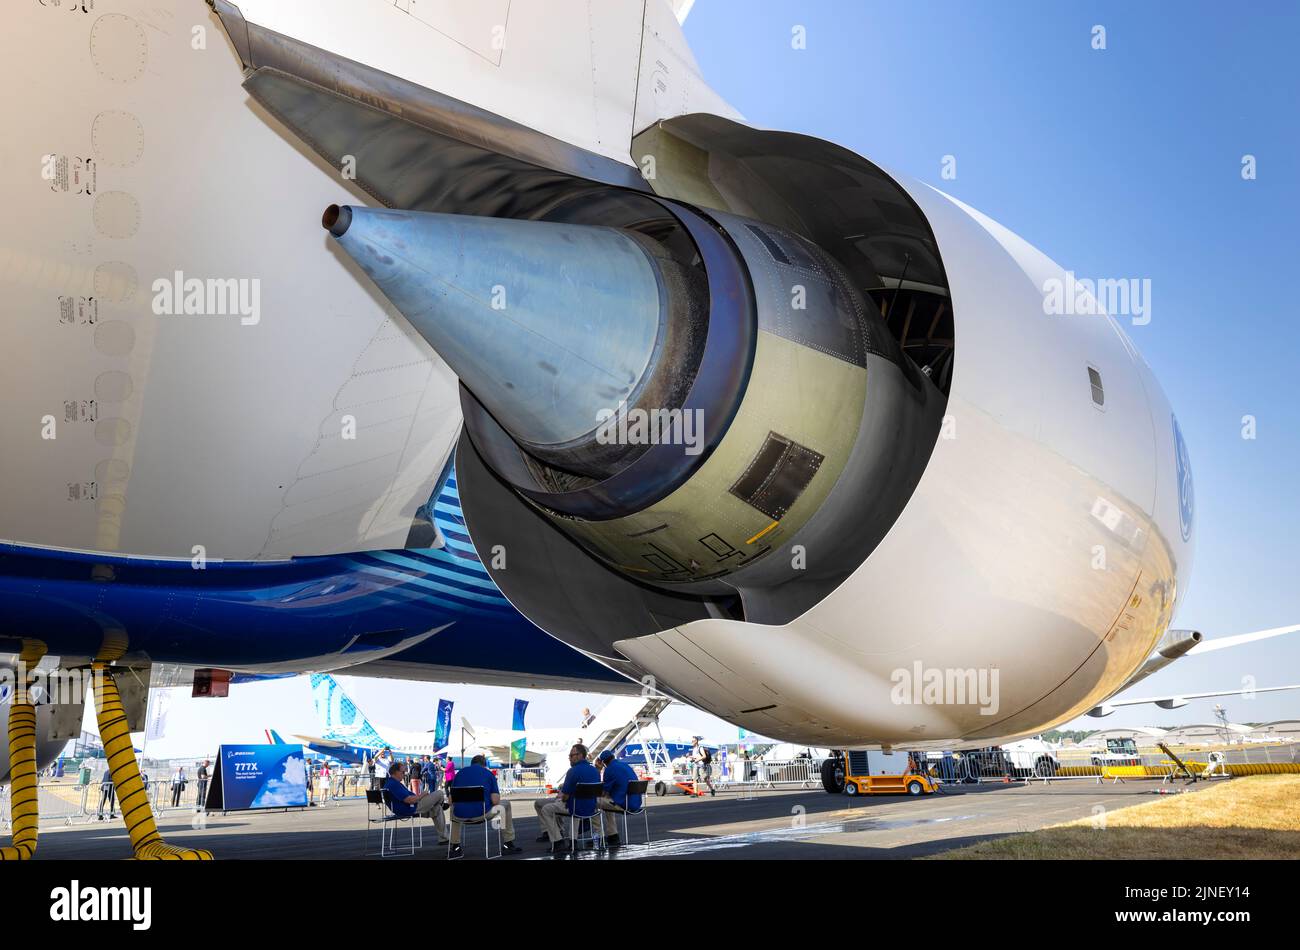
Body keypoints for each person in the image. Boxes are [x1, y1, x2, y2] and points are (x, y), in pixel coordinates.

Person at [448, 754, 522, 856]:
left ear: (471, 764)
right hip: (481, 814)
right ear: (484, 765)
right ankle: (508, 843)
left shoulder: (459, 774)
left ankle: (455, 846)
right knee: (506, 805)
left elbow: (451, 801)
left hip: (460, 816)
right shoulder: (488, 774)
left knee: (453, 809)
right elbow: (495, 801)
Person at [534, 743, 600, 854]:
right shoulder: (595, 771)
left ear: (579, 755)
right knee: (575, 804)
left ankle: (557, 841)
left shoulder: (572, 771)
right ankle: (572, 840)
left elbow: (565, 797)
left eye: (571, 755)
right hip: (592, 808)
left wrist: (561, 798)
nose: (569, 758)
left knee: (547, 809)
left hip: (575, 808)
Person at [382, 761, 448, 844]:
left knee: (437, 809)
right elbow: (410, 800)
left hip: (410, 807)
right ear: (396, 772)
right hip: (410, 808)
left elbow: (410, 798)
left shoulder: (391, 783)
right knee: (440, 793)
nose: (404, 774)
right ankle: (441, 804)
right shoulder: (393, 784)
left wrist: (420, 796)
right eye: (402, 772)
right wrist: (422, 794)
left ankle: (444, 839)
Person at [595, 750, 641, 848]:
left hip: (625, 805)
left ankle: (598, 837)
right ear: (613, 757)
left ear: (603, 763)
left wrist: (598, 770)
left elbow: (603, 792)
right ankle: (612, 835)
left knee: (594, 802)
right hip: (636, 803)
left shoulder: (609, 770)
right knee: (608, 802)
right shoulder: (626, 765)